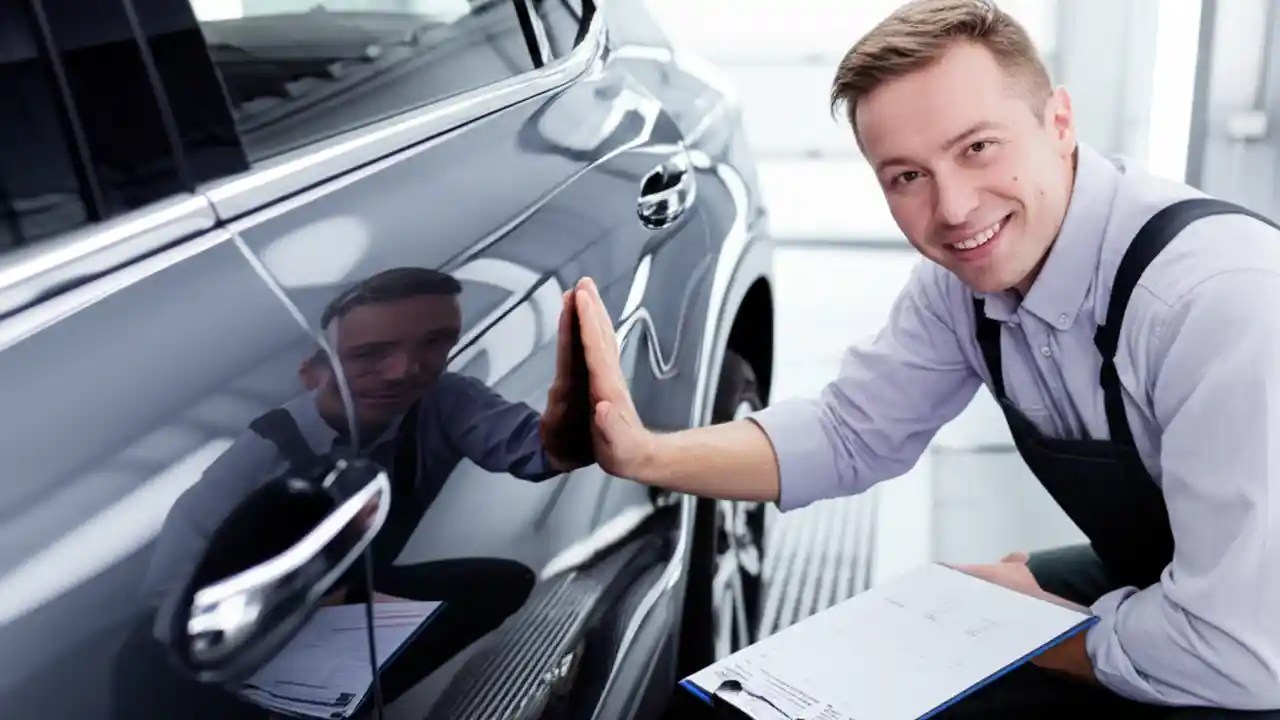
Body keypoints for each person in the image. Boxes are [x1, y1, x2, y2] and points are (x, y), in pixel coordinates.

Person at [559, 0, 1280, 715]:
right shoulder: (962, 287)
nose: (956, 209)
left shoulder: (1216, 302)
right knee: (914, 629)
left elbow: (1240, 656)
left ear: (1058, 123)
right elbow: (850, 433)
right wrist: (643, 456)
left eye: (977, 148)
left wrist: (1025, 629)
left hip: (1253, 642)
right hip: (1178, 583)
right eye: (907, 176)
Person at [123, 266, 593, 716]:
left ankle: (341, 701)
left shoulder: (442, 400)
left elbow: (539, 452)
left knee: (499, 585)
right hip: (239, 628)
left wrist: (575, 404)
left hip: (340, 600)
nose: (402, 372)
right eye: (370, 355)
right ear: (312, 372)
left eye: (433, 345)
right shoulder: (257, 456)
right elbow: (165, 601)